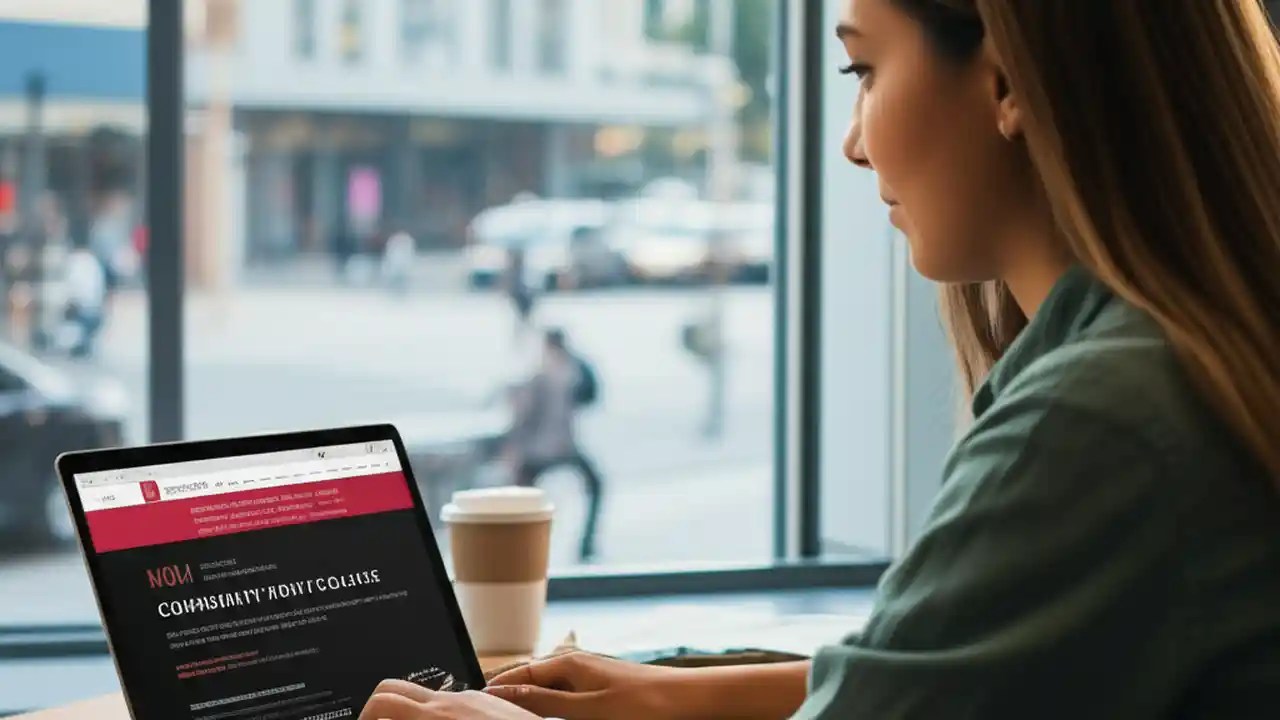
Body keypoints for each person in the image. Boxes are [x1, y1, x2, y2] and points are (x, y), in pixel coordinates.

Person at [359, 1, 1280, 717]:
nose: (850, 140)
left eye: (864, 68)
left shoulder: (1100, 421)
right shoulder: (1176, 358)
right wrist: (679, 693)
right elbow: (984, 672)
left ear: (1008, 82)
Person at [503, 328, 603, 563]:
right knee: (521, 497)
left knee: (523, 496)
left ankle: (581, 544)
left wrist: (514, 446)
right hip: (550, 449)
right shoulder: (556, 376)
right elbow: (526, 417)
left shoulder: (559, 375)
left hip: (550, 449)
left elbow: (589, 394)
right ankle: (520, 547)